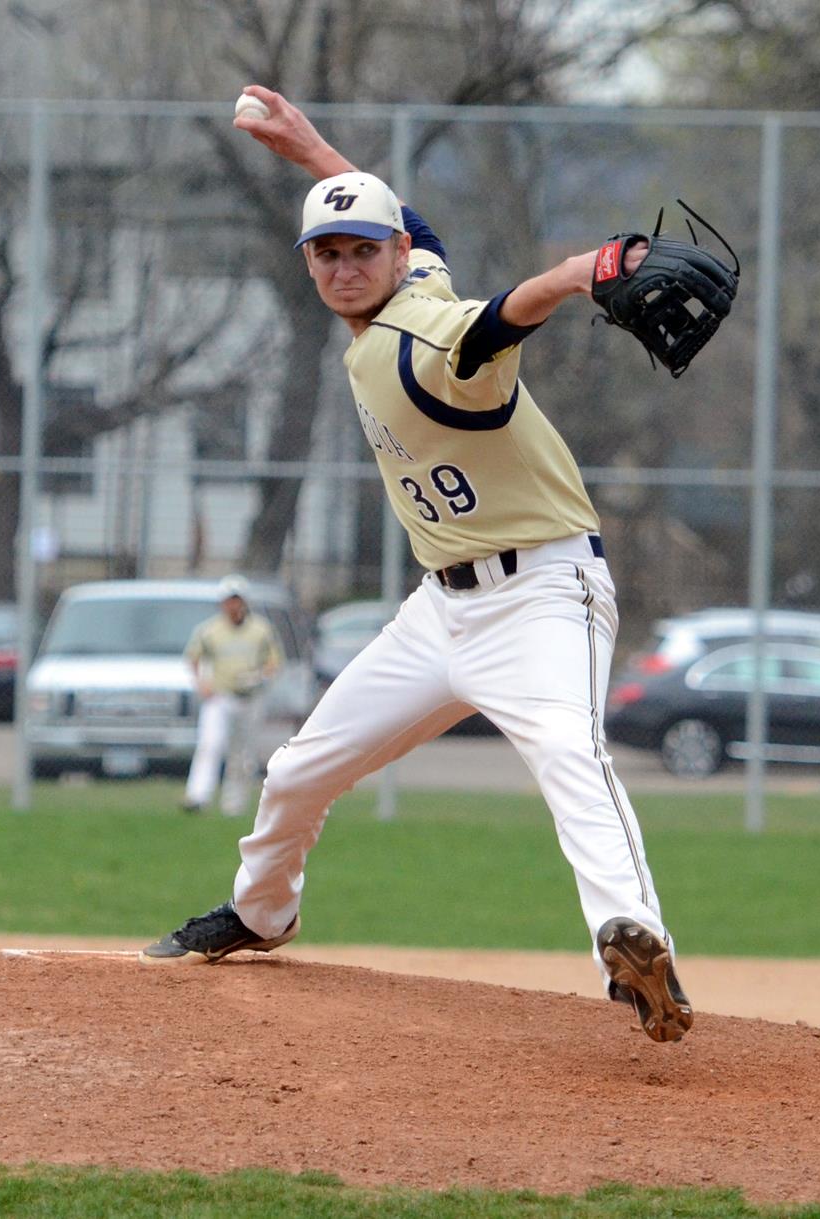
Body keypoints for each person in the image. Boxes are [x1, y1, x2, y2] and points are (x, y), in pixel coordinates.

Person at [142, 85, 693, 1044]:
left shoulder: (427, 334)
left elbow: (493, 328)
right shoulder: (412, 281)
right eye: (330, 251)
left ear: (394, 261)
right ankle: (261, 912)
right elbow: (419, 221)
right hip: (439, 611)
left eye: (365, 249)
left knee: (570, 749)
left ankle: (633, 937)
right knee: (295, 771)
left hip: (544, 594)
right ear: (312, 264)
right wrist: (314, 150)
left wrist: (572, 273)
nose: (348, 265)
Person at [180, 574, 285, 816]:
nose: (233, 606)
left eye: (237, 600)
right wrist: (201, 683)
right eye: (229, 601)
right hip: (220, 696)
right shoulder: (210, 631)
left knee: (242, 755)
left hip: (250, 698)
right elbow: (194, 658)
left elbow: (273, 661)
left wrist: (261, 676)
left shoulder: (260, 630)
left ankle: (234, 804)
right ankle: (198, 796)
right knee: (210, 745)